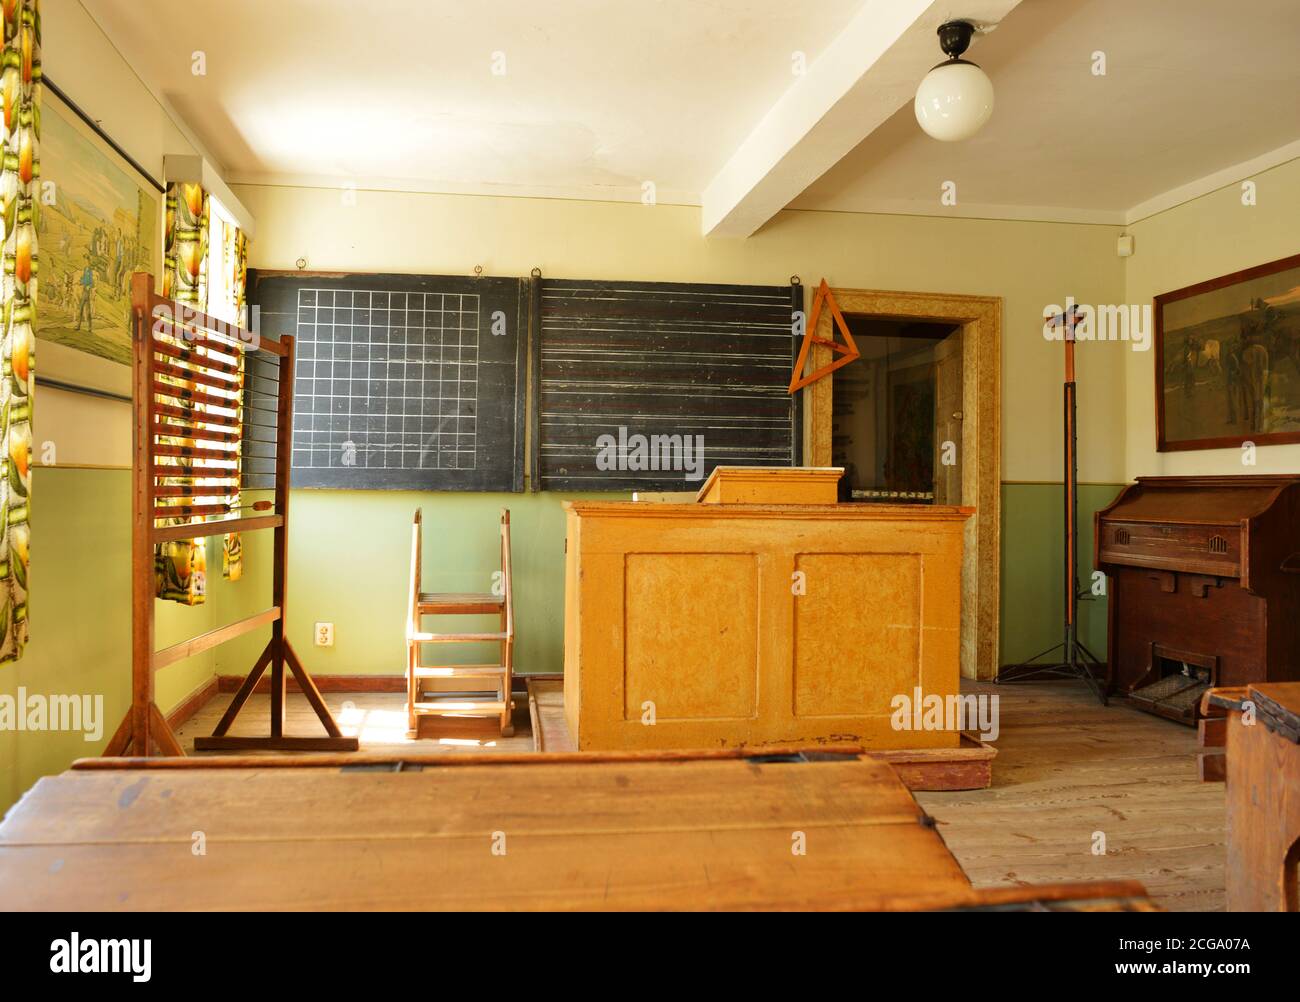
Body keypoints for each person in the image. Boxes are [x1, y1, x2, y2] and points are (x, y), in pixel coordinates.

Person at [75, 253, 95, 332]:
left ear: (88, 261)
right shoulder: (85, 269)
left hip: (87, 292)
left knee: (86, 309)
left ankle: (88, 327)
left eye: (86, 260)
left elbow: (92, 282)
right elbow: (84, 279)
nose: (85, 262)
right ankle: (80, 326)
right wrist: (80, 281)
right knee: (82, 308)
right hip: (84, 291)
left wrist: (88, 286)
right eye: (84, 260)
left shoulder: (89, 270)